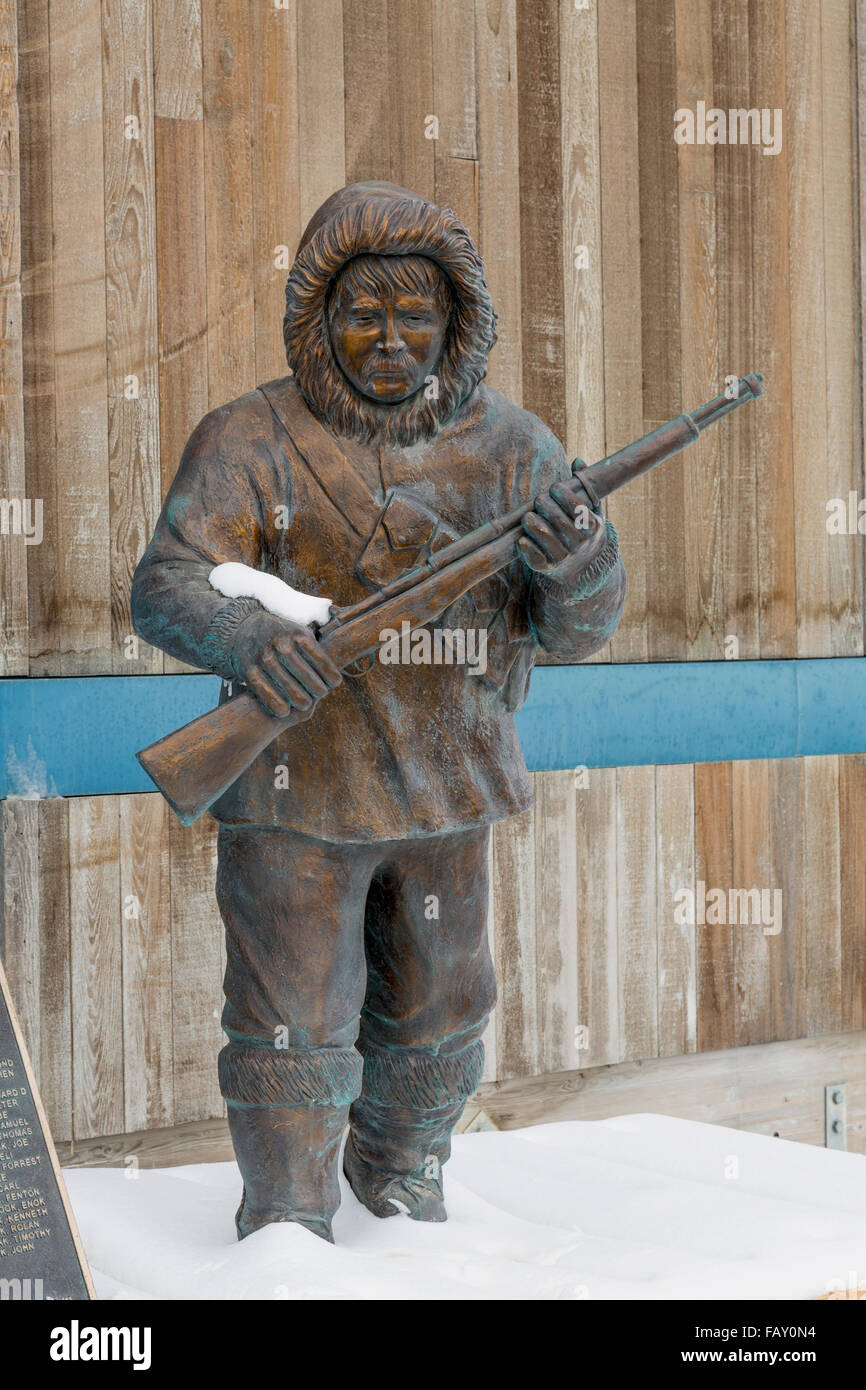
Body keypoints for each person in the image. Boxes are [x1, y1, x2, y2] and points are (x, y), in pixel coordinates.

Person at [131, 181, 626, 1242]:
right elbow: (168, 581)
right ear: (318, 320)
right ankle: (288, 1222)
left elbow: (579, 629)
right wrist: (256, 639)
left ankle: (403, 1187)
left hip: (450, 788)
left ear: (456, 322)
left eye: (416, 316)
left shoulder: (514, 449)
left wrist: (578, 563)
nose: (390, 340)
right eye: (363, 314)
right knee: (289, 1023)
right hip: (292, 790)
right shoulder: (248, 437)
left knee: (442, 1012)